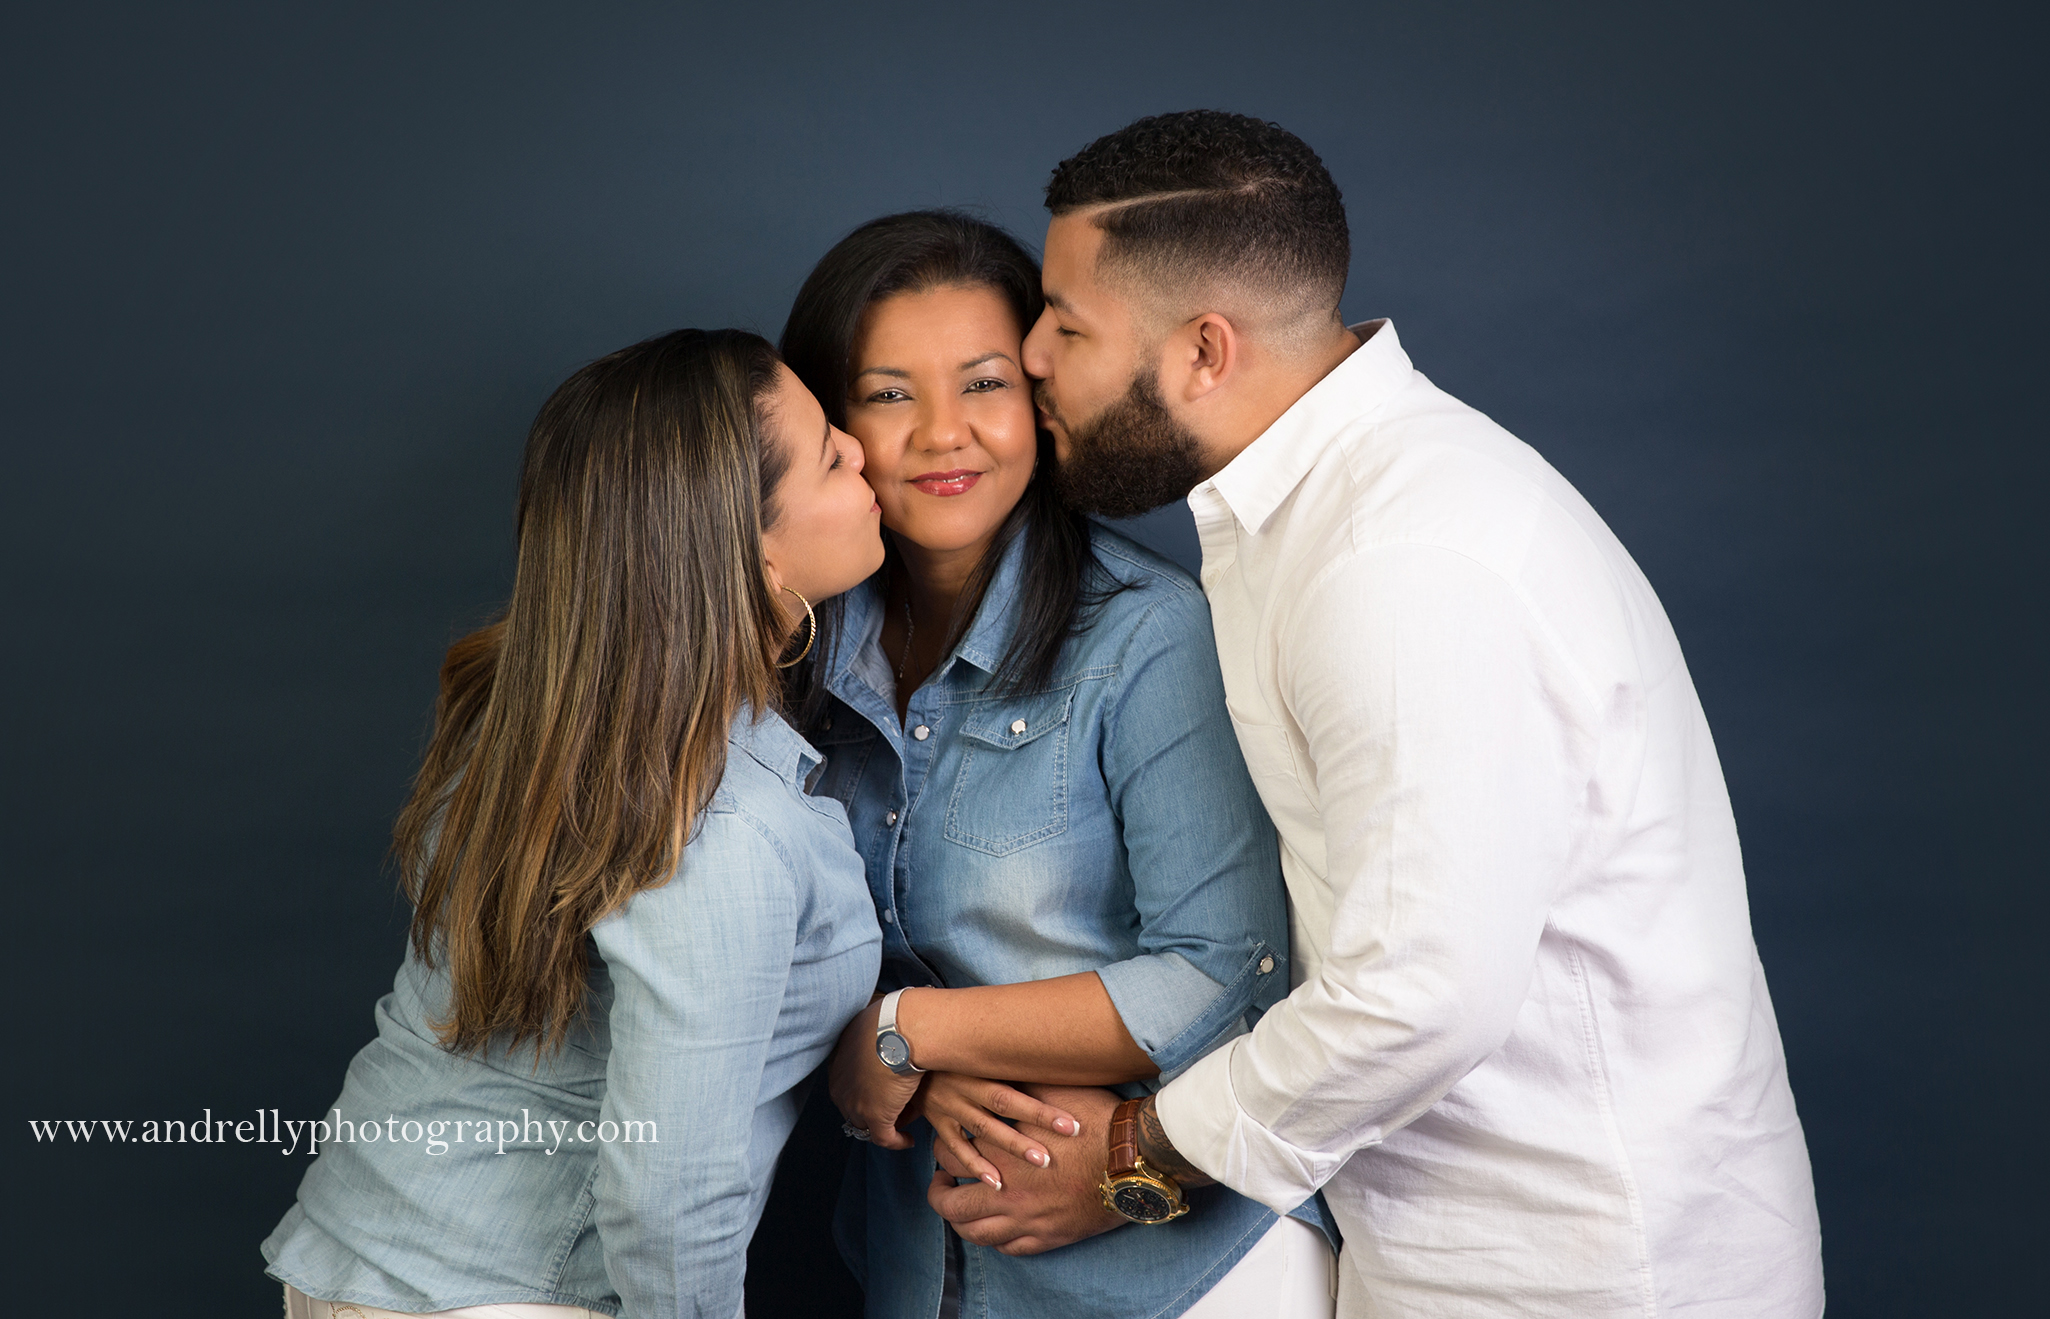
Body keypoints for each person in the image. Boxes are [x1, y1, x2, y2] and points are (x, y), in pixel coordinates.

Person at [923, 112, 1827, 1318]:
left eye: (1068, 325)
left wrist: (1131, 1155)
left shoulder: (1396, 559)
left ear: (1204, 351)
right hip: (1444, 1246)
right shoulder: (1307, 516)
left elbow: (1422, 989)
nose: (1030, 354)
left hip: (1584, 1273)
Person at [777, 210, 1337, 1319]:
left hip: (1175, 1262)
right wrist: (892, 1062)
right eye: (890, 394)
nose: (946, 433)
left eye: (982, 383)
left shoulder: (1145, 635)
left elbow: (1227, 967)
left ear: (1037, 395)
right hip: (915, 1259)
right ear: (828, 424)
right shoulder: (790, 649)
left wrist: (906, 1032)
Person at [261, 328, 886, 1319]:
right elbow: (669, 1191)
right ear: (754, 554)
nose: (861, 449)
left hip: (356, 1253)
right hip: (507, 1295)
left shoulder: (538, 715)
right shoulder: (722, 831)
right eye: (827, 454)